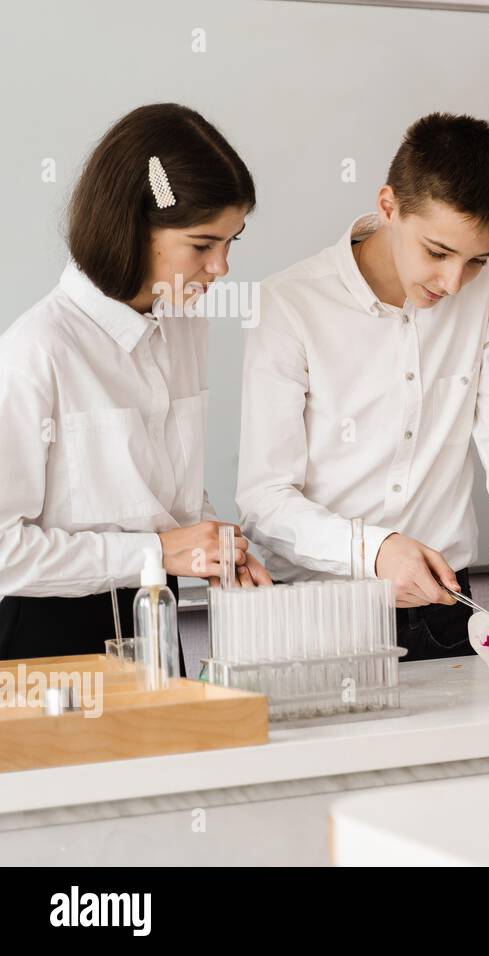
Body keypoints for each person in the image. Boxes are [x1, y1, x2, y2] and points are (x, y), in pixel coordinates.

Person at [237, 113, 489, 661]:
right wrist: (375, 551)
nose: (454, 283)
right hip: (313, 613)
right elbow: (264, 500)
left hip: (445, 612)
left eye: (477, 260)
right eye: (437, 252)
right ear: (389, 207)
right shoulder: (289, 304)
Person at [0, 103, 271, 661]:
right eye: (202, 245)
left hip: (153, 616)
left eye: (231, 242)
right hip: (46, 636)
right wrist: (157, 550)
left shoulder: (184, 324)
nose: (221, 268)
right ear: (133, 227)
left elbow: (166, 492)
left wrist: (210, 543)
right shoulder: (38, 350)